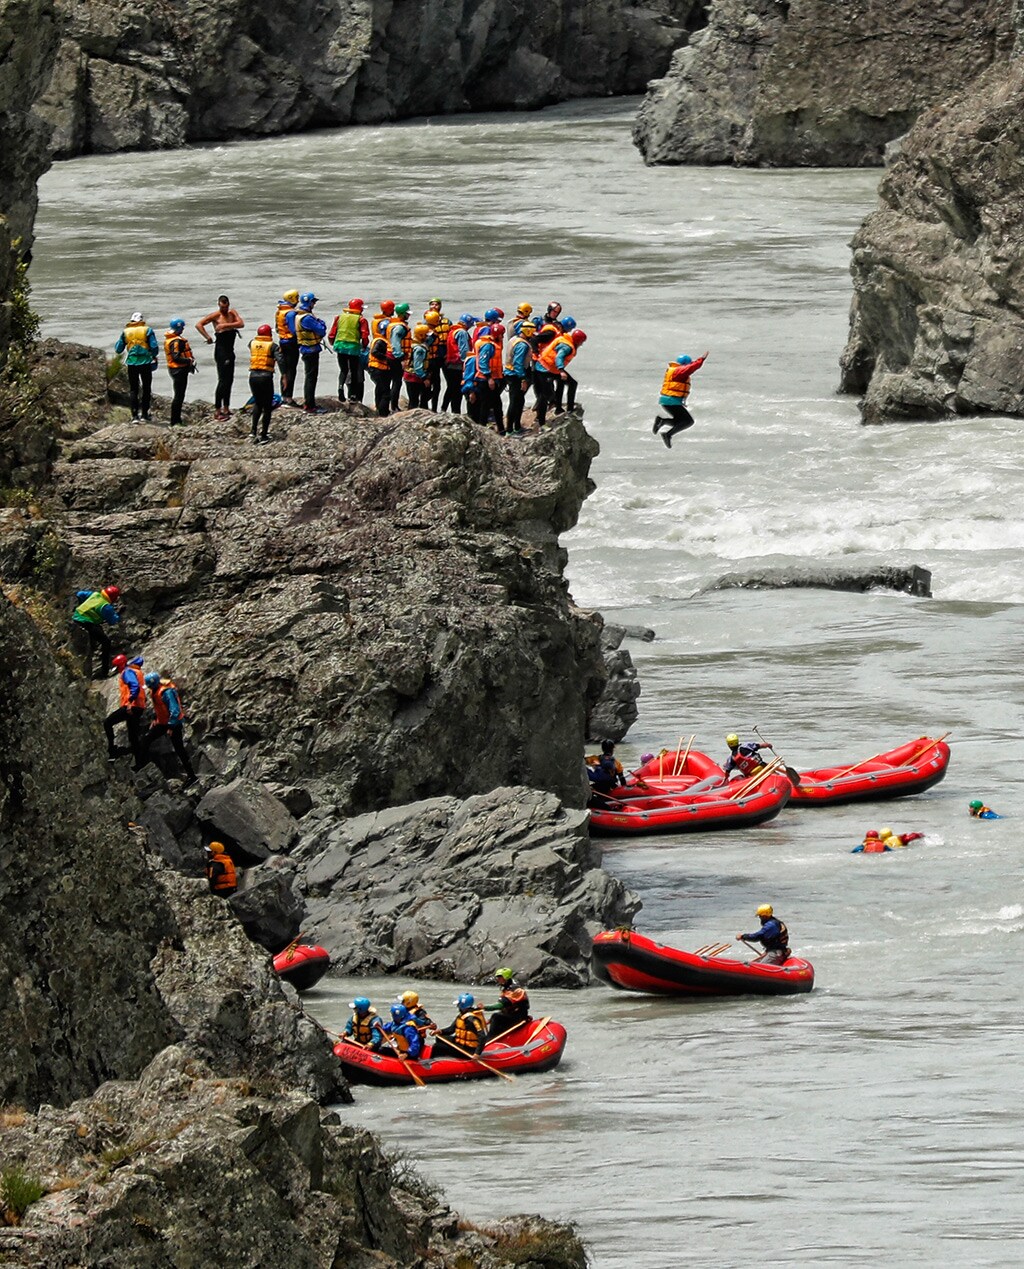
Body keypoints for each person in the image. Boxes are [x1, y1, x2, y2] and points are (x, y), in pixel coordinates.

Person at [140, 670, 197, 784]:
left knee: (179, 749)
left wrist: (170, 726)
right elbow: (161, 709)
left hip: (173, 724)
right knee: (146, 739)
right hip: (162, 722)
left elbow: (174, 711)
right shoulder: (156, 691)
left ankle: (192, 775)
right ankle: (142, 765)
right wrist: (157, 720)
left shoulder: (167, 692)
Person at [196, 295, 245, 420]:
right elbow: (199, 324)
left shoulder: (232, 313)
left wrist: (224, 326)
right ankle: (218, 410)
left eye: (226, 306)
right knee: (223, 380)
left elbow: (241, 324)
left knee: (230, 380)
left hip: (230, 350)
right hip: (221, 350)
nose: (224, 309)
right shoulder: (216, 316)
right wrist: (207, 337)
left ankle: (226, 407)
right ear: (219, 305)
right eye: (222, 307)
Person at [653, 352, 708, 448]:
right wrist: (701, 360)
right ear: (685, 364)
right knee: (688, 421)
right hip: (671, 401)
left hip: (667, 401)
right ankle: (667, 434)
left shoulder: (674, 370)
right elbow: (691, 368)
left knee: (680, 421)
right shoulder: (679, 371)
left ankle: (662, 421)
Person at [534, 329, 586, 429]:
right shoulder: (566, 347)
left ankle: (567, 410)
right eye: (581, 342)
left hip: (553, 369)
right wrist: (561, 370)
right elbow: (559, 357)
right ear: (578, 341)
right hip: (544, 369)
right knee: (544, 396)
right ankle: (541, 423)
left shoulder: (567, 341)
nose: (581, 344)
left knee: (572, 383)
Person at [114, 312, 158, 422]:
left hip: (132, 363)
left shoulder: (126, 332)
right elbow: (154, 347)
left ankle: (134, 416)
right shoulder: (147, 330)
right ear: (141, 320)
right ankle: (144, 415)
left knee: (133, 389)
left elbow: (118, 349)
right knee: (146, 388)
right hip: (145, 362)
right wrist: (153, 355)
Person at [71, 585, 122, 678]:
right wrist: (118, 616)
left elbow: (79, 594)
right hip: (87, 623)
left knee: (97, 631)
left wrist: (83, 604)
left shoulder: (95, 594)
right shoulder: (105, 606)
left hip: (76, 617)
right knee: (106, 643)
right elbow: (112, 621)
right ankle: (105, 671)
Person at [103, 653, 146, 763]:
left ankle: (112, 750)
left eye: (117, 667)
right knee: (133, 736)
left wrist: (130, 701)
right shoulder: (136, 671)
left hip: (131, 706)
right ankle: (139, 762)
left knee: (108, 722)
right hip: (139, 707)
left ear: (121, 665)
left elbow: (134, 686)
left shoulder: (127, 672)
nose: (117, 670)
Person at [289, 293, 327, 413]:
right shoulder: (307, 318)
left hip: (305, 349)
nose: (314, 304)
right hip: (311, 349)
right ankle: (310, 405)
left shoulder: (298, 316)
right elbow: (321, 330)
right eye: (313, 302)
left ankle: (309, 403)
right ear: (309, 302)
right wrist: (321, 322)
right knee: (311, 378)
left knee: (310, 377)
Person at [329, 298, 369, 403]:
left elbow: (332, 333)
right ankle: (353, 396)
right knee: (354, 371)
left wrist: (333, 343)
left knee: (343, 370)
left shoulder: (339, 317)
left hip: (340, 346)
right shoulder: (361, 319)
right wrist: (364, 346)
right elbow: (364, 335)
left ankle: (340, 388)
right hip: (353, 348)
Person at [248, 323, 278, 444]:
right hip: (265, 377)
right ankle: (264, 434)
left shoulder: (251, 343)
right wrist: (285, 375)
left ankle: (253, 431)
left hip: (253, 376)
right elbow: (280, 360)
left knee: (257, 403)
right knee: (267, 406)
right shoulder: (273, 346)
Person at [503, 319, 535, 435]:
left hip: (510, 374)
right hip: (516, 376)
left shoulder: (513, 339)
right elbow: (518, 363)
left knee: (519, 401)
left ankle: (517, 426)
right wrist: (523, 379)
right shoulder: (522, 345)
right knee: (515, 401)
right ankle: (510, 430)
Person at [163, 318, 196, 427]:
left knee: (179, 395)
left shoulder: (173, 339)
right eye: (182, 327)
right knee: (179, 396)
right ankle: (175, 421)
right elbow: (176, 357)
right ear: (178, 328)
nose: (183, 329)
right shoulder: (176, 341)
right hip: (178, 370)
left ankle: (176, 420)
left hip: (176, 369)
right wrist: (189, 361)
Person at [435, 993, 487, 1058]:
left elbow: (483, 1037)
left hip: (468, 1050)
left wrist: (477, 1053)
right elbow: (451, 1030)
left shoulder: (472, 1020)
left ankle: (436, 1064)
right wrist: (440, 1031)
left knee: (437, 1047)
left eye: (458, 1004)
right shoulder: (461, 1015)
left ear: (462, 1005)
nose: (457, 1006)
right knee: (440, 1037)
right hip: (460, 1044)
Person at [474, 324, 504, 434]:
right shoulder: (488, 346)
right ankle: (486, 429)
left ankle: (500, 429)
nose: (503, 337)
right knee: (488, 405)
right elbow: (483, 363)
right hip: (486, 379)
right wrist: (489, 378)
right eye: (501, 335)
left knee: (493, 405)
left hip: (488, 378)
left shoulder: (487, 343)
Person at [367, 300, 396, 416]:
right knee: (385, 392)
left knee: (379, 389)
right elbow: (375, 352)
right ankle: (383, 413)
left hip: (377, 368)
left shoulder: (378, 337)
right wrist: (386, 359)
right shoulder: (381, 341)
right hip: (378, 368)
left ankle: (379, 408)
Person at [484, 968, 531, 1038]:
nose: (498, 979)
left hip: (519, 1016)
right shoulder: (506, 989)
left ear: (505, 978)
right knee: (495, 1017)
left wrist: (485, 1007)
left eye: (500, 977)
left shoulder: (516, 990)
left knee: (495, 1017)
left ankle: (490, 1039)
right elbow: (504, 1008)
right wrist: (490, 1020)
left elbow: (501, 1005)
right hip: (511, 1015)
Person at [442, 314, 472, 414]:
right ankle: (456, 412)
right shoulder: (462, 333)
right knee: (457, 391)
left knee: (451, 388)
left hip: (450, 364)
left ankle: (443, 409)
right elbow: (464, 350)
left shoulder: (452, 330)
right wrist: (466, 364)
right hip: (458, 365)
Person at [275, 288, 300, 406]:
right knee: (291, 370)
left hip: (282, 341)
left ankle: (283, 395)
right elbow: (293, 330)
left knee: (284, 370)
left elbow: (276, 328)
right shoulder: (290, 313)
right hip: (291, 342)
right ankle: (288, 397)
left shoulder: (279, 311)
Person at [386, 302, 412, 411]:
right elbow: (395, 343)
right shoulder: (399, 327)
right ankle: (394, 406)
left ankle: (392, 405)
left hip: (390, 355)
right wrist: (400, 356)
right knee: (397, 382)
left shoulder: (392, 324)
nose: (409, 315)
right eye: (407, 313)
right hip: (395, 357)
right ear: (402, 314)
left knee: (395, 381)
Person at [403, 323, 432, 409]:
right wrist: (424, 378)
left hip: (410, 375)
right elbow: (418, 366)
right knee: (414, 401)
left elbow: (430, 339)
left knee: (415, 400)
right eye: (426, 335)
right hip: (414, 377)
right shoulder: (419, 349)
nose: (427, 337)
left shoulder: (413, 344)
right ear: (421, 335)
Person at [461, 348, 481, 424]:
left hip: (475, 389)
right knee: (473, 414)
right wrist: (471, 392)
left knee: (477, 413)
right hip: (471, 390)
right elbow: (468, 377)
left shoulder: (477, 358)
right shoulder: (473, 359)